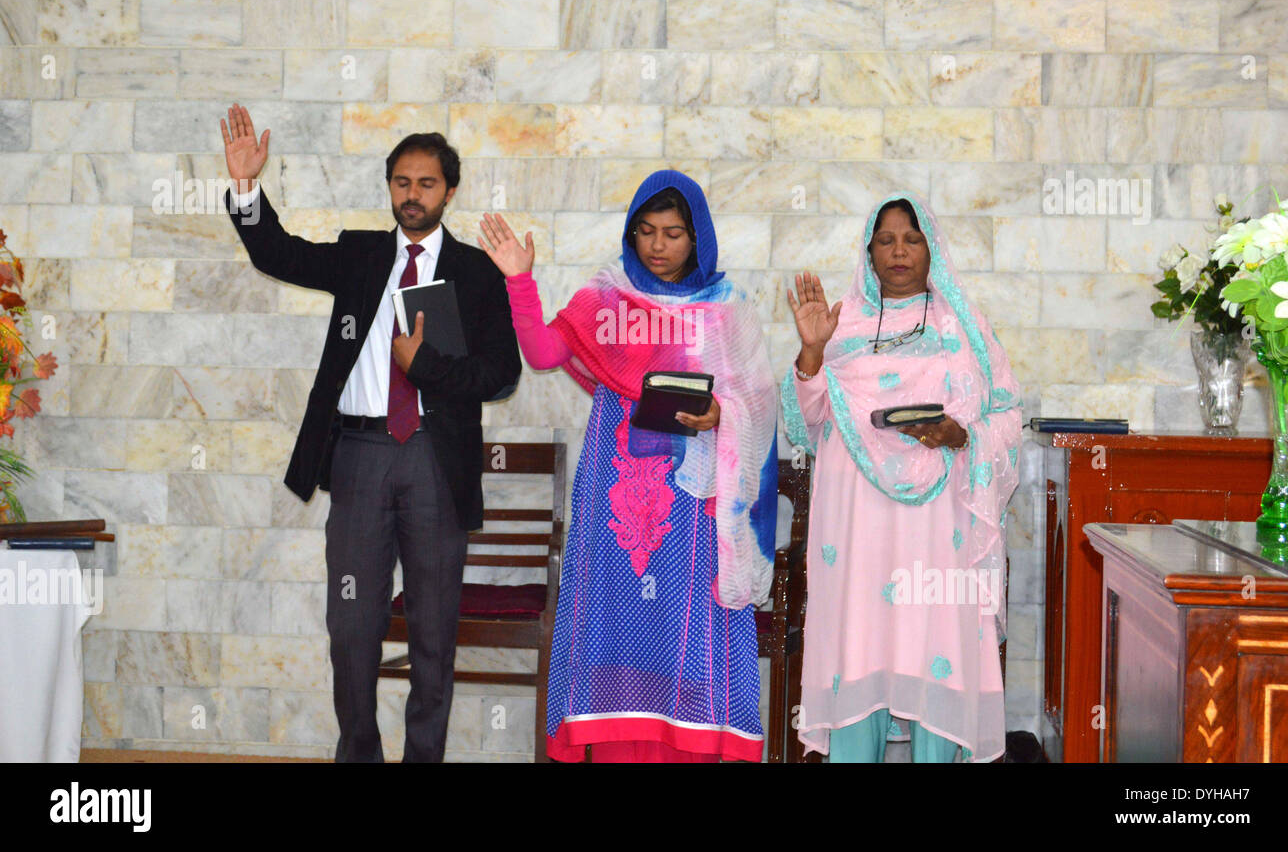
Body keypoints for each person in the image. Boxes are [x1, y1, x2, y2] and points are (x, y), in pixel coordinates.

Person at [219, 104, 521, 762]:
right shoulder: (360, 255)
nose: (413, 195)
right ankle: (358, 753)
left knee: (434, 633)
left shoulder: (476, 272)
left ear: (450, 190)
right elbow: (278, 254)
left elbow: (502, 373)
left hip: (436, 462)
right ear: (389, 188)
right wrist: (246, 189)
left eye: (427, 183)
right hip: (357, 457)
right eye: (402, 183)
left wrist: (428, 367)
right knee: (352, 627)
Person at [477, 170, 779, 762]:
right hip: (614, 496)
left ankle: (691, 743)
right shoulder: (607, 298)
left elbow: (758, 405)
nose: (658, 246)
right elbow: (542, 352)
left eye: (673, 233)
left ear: (698, 239)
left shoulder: (725, 309)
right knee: (615, 629)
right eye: (645, 231)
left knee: (681, 634)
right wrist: (519, 281)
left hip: (693, 506)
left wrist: (721, 414)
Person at [782, 192, 1022, 762]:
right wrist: (812, 354)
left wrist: (960, 435)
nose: (898, 251)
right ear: (868, 251)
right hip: (857, 529)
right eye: (885, 239)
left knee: (933, 647)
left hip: (938, 530)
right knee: (858, 647)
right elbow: (803, 422)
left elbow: (1007, 413)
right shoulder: (840, 321)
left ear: (931, 248)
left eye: (911, 239)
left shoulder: (964, 325)